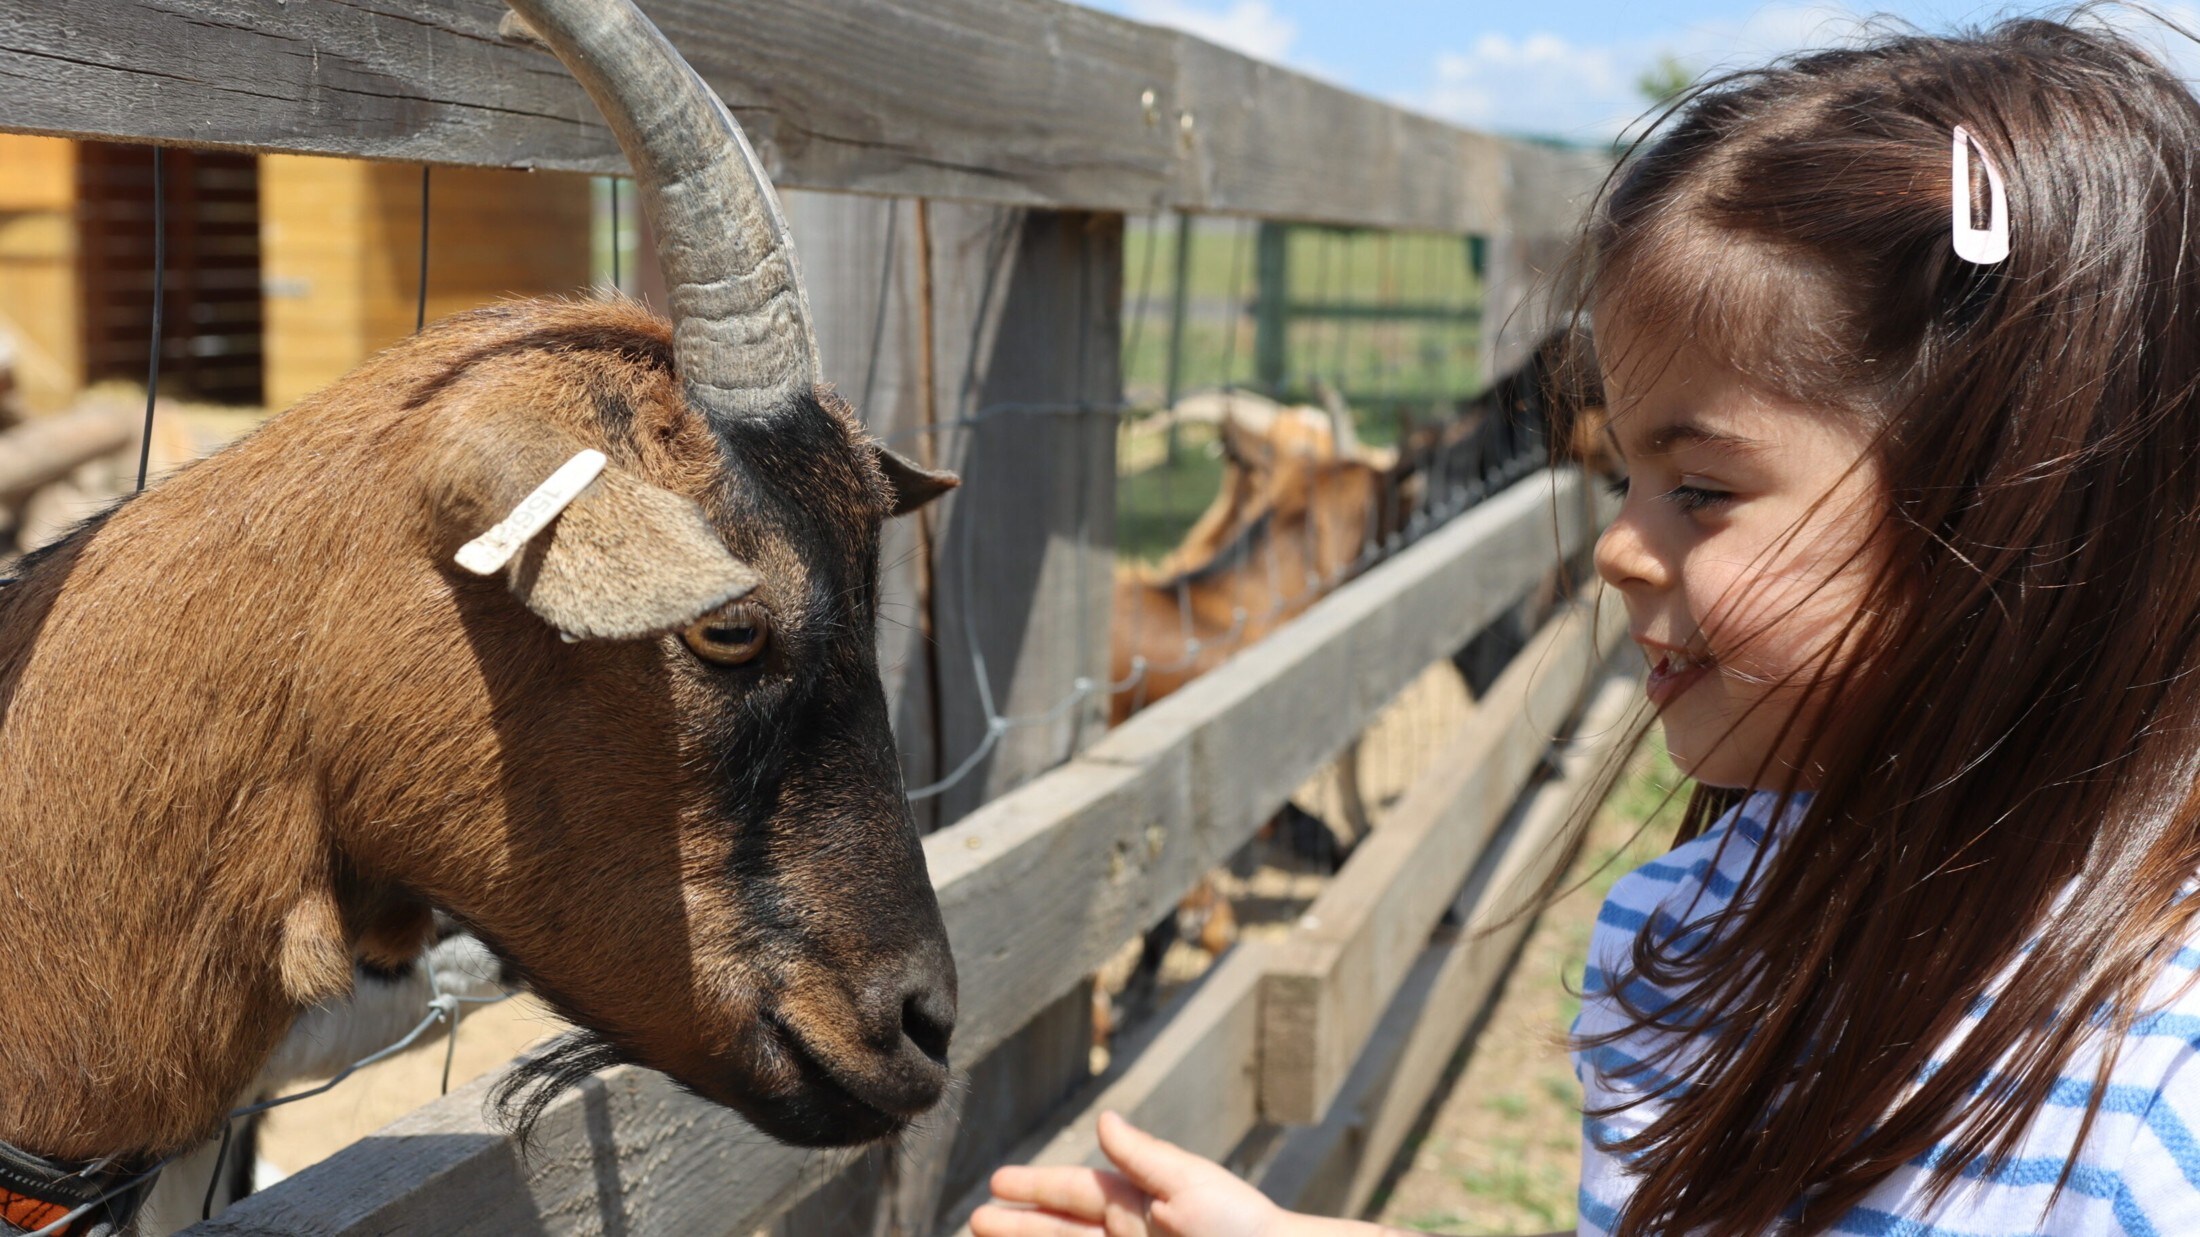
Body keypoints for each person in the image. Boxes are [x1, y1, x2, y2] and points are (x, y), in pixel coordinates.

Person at [970, 14, 2200, 1237]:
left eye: (1700, 491)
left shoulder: (2152, 1097)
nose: (1614, 545)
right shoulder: (1686, 931)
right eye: (1621, 481)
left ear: (2007, 507)